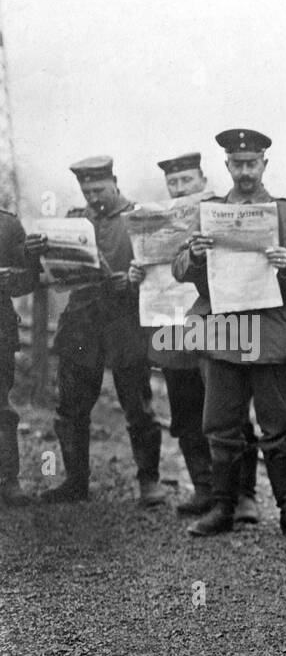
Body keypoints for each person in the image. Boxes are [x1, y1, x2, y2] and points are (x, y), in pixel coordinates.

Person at [174, 128, 286, 540]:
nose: (245, 171)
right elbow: (180, 268)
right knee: (221, 424)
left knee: (277, 426)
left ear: (264, 164)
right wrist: (195, 255)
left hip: (269, 333)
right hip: (224, 333)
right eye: (238, 164)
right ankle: (223, 507)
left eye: (252, 163)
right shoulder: (209, 211)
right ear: (227, 166)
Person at [28, 156, 164, 505]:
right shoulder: (75, 221)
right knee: (71, 409)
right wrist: (44, 251)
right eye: (87, 190)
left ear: (115, 181)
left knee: (138, 408)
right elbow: (54, 272)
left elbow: (159, 274)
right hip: (81, 327)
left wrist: (132, 282)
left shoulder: (139, 219)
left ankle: (150, 482)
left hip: (126, 323)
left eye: (100, 189)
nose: (94, 197)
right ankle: (75, 482)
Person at [133, 152, 260, 518]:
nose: (179, 188)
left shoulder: (222, 209)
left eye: (186, 181)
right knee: (186, 411)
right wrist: (137, 270)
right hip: (174, 325)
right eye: (173, 183)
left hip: (218, 323)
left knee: (231, 410)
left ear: (203, 179)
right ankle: (205, 488)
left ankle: (244, 494)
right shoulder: (156, 219)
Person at [0, 209, 36, 506]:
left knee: (1, 407)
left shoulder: (7, 223)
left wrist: (14, 277)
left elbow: (28, 280)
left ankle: (8, 480)